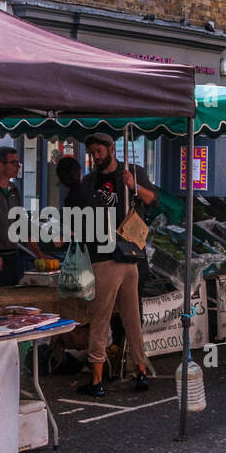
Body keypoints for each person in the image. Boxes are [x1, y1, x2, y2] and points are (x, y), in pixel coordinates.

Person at [75, 132, 157, 396]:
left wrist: (134, 185)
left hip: (124, 255)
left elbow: (151, 200)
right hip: (101, 254)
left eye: (99, 151)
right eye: (92, 153)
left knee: (117, 318)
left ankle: (105, 379)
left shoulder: (132, 172)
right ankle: (137, 371)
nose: (95, 157)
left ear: (112, 148)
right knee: (114, 318)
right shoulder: (89, 181)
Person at [0, 146, 45, 286]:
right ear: (0, 166)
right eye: (13, 163)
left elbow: (22, 223)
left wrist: (39, 254)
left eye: (18, 163)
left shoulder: (14, 190)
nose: (18, 166)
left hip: (12, 253)